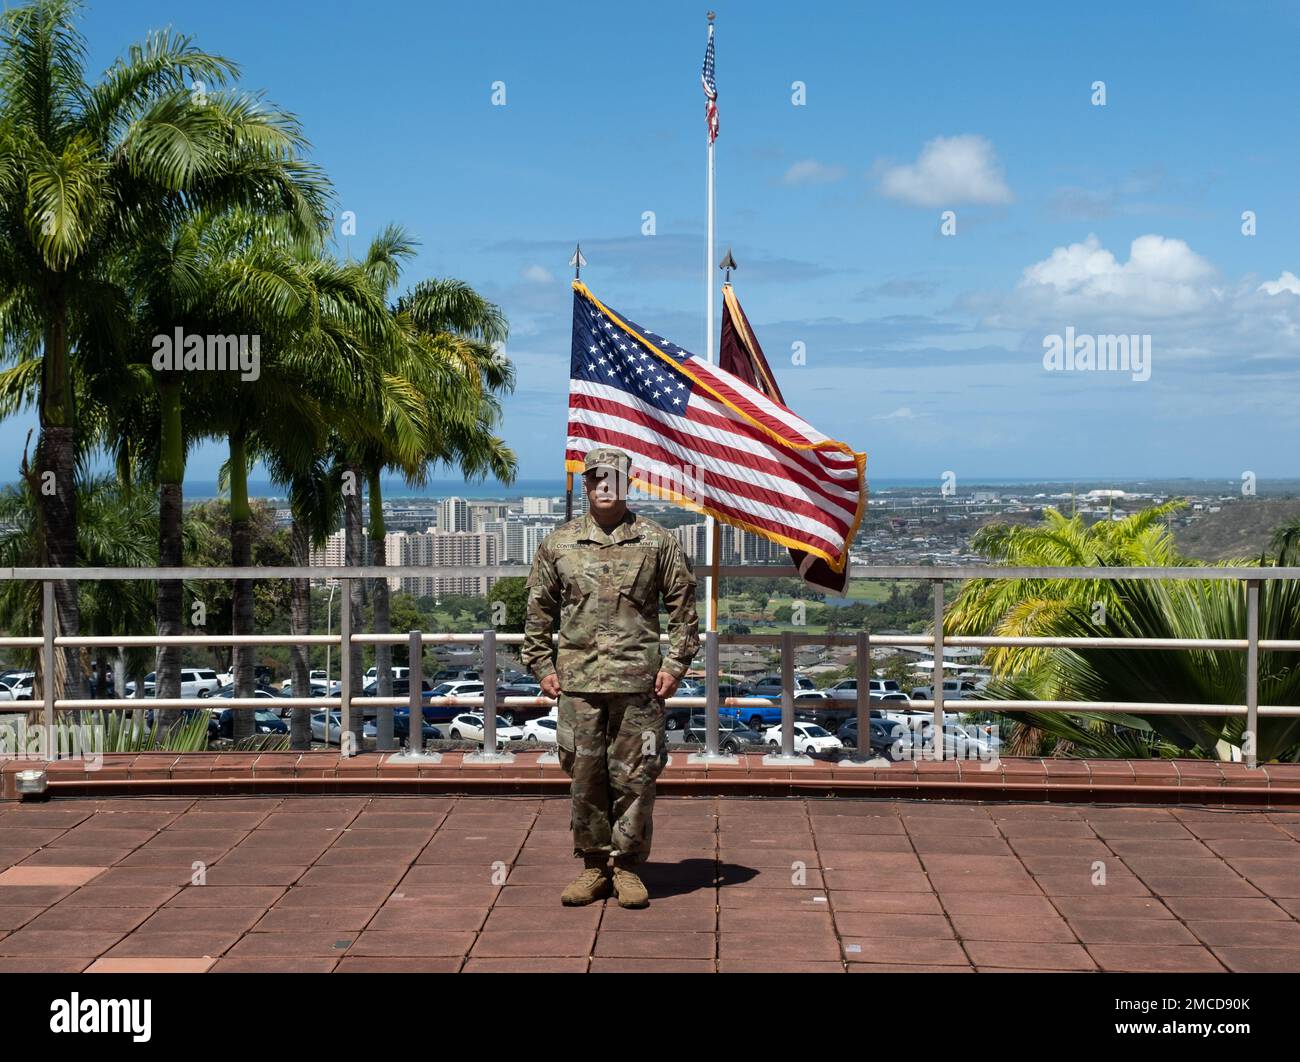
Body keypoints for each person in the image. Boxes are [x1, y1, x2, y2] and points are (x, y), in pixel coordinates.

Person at [521, 447, 700, 908]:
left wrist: (674, 667)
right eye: (597, 479)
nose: (606, 486)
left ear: (628, 485)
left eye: (615, 479)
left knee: (637, 778)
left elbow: (683, 610)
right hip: (577, 685)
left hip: (639, 684)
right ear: (586, 485)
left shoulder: (657, 542)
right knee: (584, 778)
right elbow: (538, 612)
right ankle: (593, 866)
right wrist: (542, 666)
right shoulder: (558, 544)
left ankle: (627, 867)